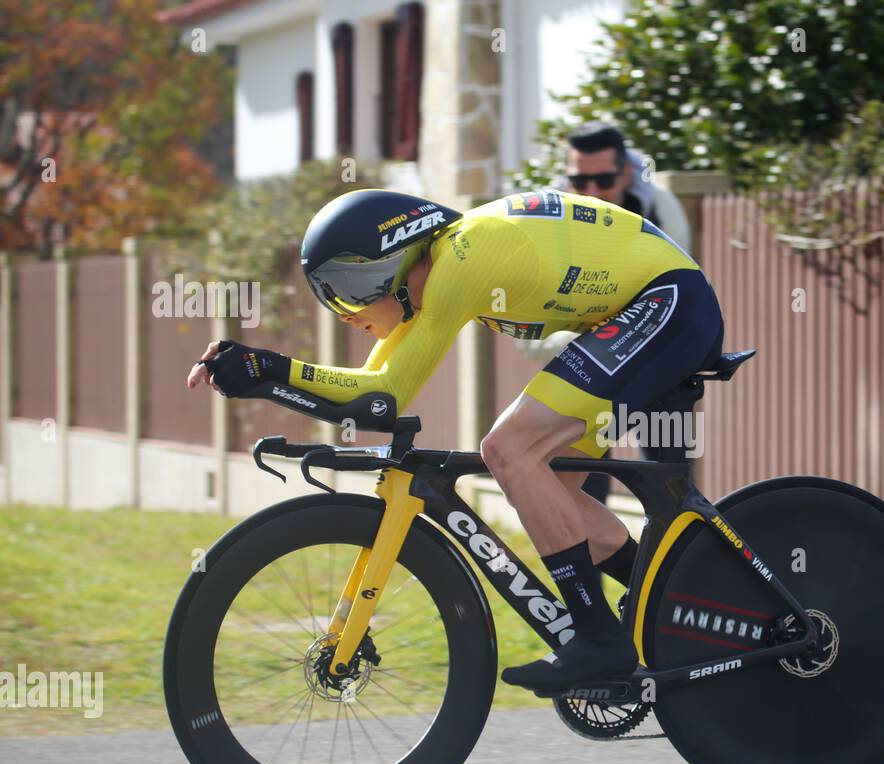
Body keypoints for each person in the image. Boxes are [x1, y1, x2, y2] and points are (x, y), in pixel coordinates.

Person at [186, 186, 724, 693]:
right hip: (645, 308)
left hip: (670, 303)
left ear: (394, 262)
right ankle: (674, 606)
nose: (346, 314)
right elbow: (367, 394)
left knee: (509, 451)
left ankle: (600, 638)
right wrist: (262, 375)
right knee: (552, 492)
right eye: (330, 297)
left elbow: (383, 396)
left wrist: (268, 369)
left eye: (349, 291)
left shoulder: (464, 259)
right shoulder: (449, 259)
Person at [515, 121, 692, 503]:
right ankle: (589, 564)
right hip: (584, 371)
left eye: (605, 179)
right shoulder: (547, 221)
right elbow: (528, 320)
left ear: (626, 173)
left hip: (657, 370)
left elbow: (681, 291)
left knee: (670, 491)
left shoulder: (661, 211)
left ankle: (679, 561)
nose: (592, 192)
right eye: (580, 182)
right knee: (579, 493)